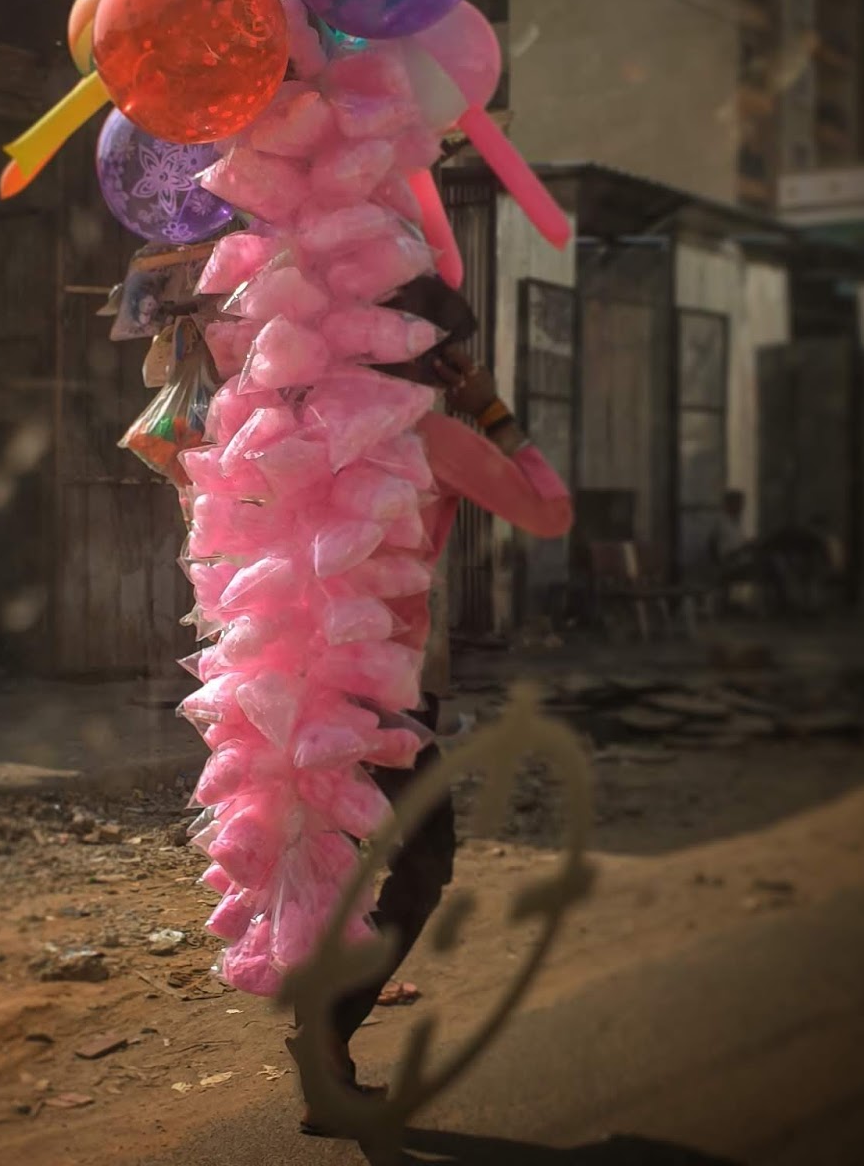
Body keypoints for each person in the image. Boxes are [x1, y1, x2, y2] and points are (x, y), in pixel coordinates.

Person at [295, 275, 573, 1134]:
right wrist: (490, 411)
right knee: (422, 863)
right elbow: (550, 512)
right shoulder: (435, 438)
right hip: (386, 697)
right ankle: (325, 1045)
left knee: (328, 872)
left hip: (295, 688)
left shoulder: (304, 425)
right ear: (440, 358)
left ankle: (325, 1050)